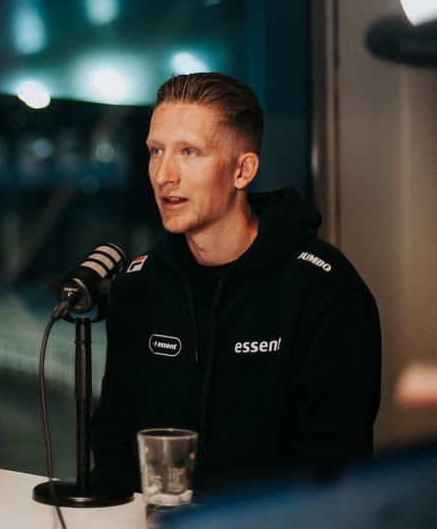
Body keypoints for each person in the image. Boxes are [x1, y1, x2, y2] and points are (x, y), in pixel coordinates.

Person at [91, 72, 381, 494]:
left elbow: (333, 470)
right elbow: (115, 440)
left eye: (189, 152)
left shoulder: (324, 289)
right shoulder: (139, 286)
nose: (163, 175)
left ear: (243, 170)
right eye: (156, 151)